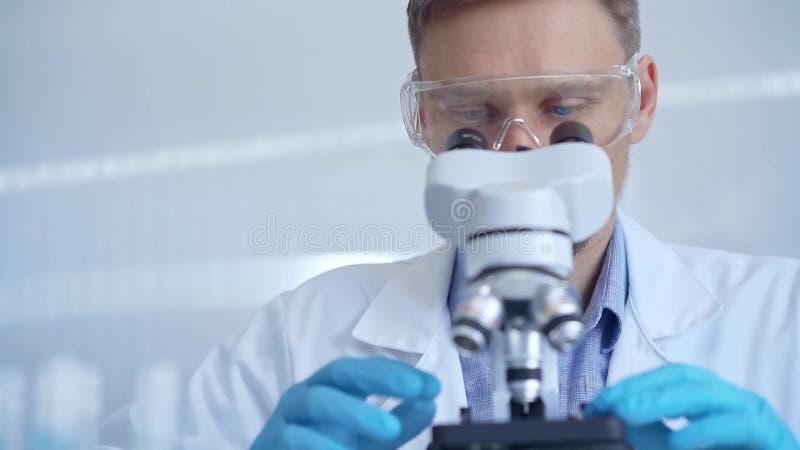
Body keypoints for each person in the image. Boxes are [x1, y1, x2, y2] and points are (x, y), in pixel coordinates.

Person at [103, 1, 800, 449]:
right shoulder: (297, 339)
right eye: (472, 116)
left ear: (640, 100)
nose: (520, 149)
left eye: (565, 109)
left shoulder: (783, 321)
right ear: (425, 119)